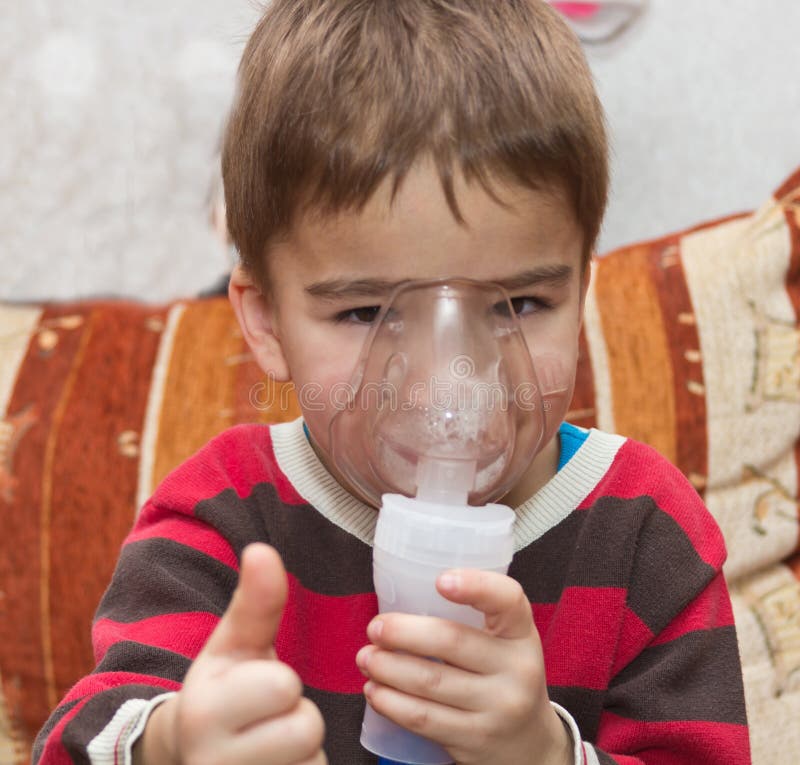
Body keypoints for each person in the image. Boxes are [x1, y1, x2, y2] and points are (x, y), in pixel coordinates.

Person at [34, 1, 751, 764]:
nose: (447, 385)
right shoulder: (224, 517)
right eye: (366, 310)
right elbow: (81, 735)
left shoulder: (643, 533)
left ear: (582, 295)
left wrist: (544, 754)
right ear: (267, 322)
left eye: (521, 303)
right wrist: (170, 745)